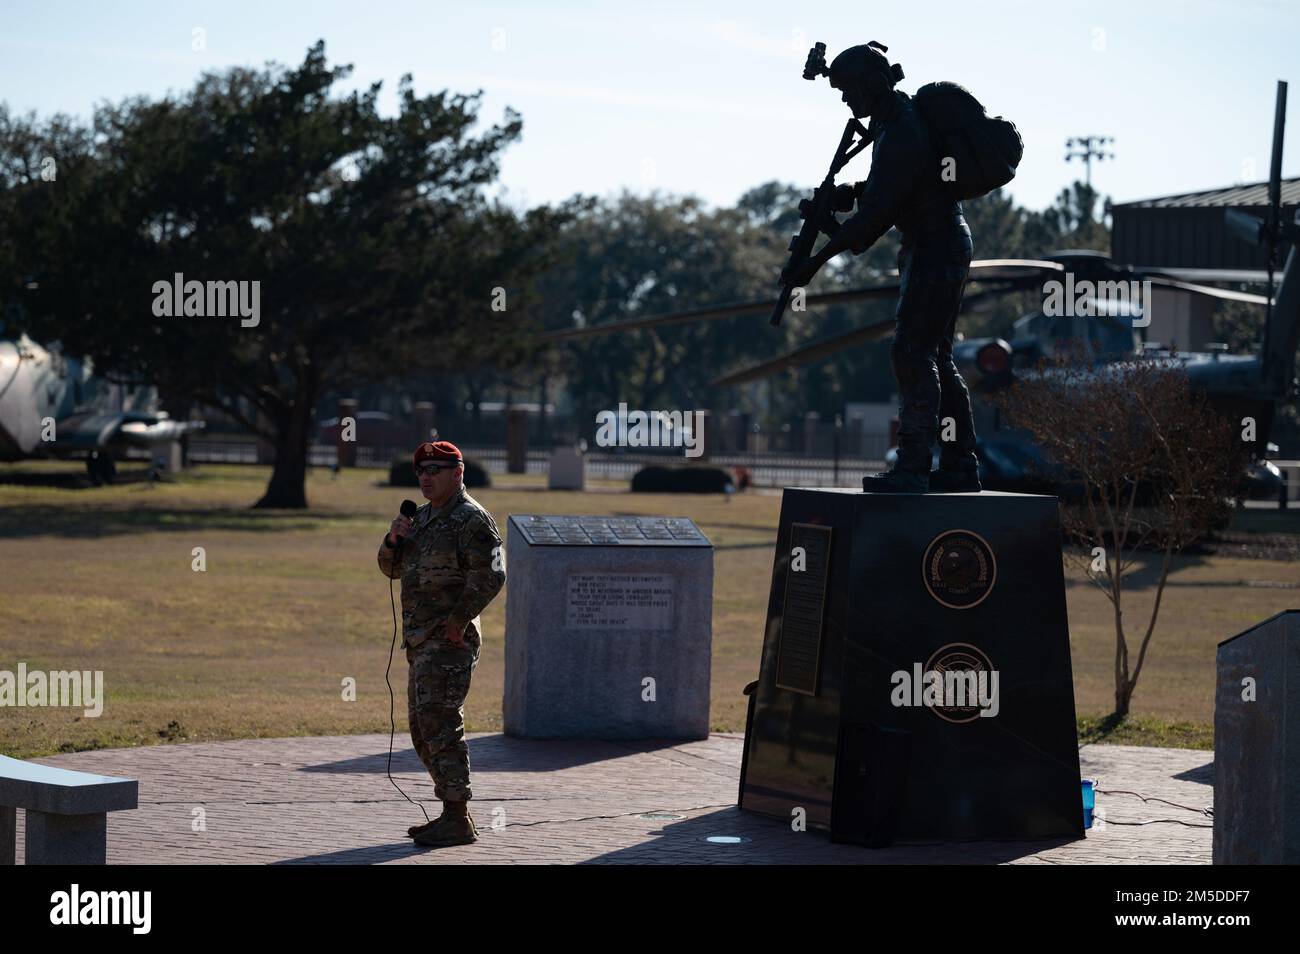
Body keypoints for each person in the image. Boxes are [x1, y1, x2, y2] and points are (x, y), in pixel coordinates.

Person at [782, 43, 980, 494]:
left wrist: (813, 263)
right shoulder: (893, 124)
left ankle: (913, 465)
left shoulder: (902, 130)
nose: (847, 101)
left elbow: (874, 218)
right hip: (930, 244)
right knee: (936, 356)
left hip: (936, 245)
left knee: (911, 353)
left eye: (849, 90)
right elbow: (889, 187)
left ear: (871, 84)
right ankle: (959, 463)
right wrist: (840, 197)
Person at [378, 440, 506, 846]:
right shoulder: (422, 517)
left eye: (435, 470)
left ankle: (456, 816)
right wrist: (393, 538)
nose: (426, 478)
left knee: (442, 726)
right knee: (422, 728)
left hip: (449, 641)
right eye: (421, 471)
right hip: (420, 640)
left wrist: (458, 617)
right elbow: (390, 568)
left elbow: (494, 573)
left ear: (458, 473)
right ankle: (451, 813)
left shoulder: (472, 520)